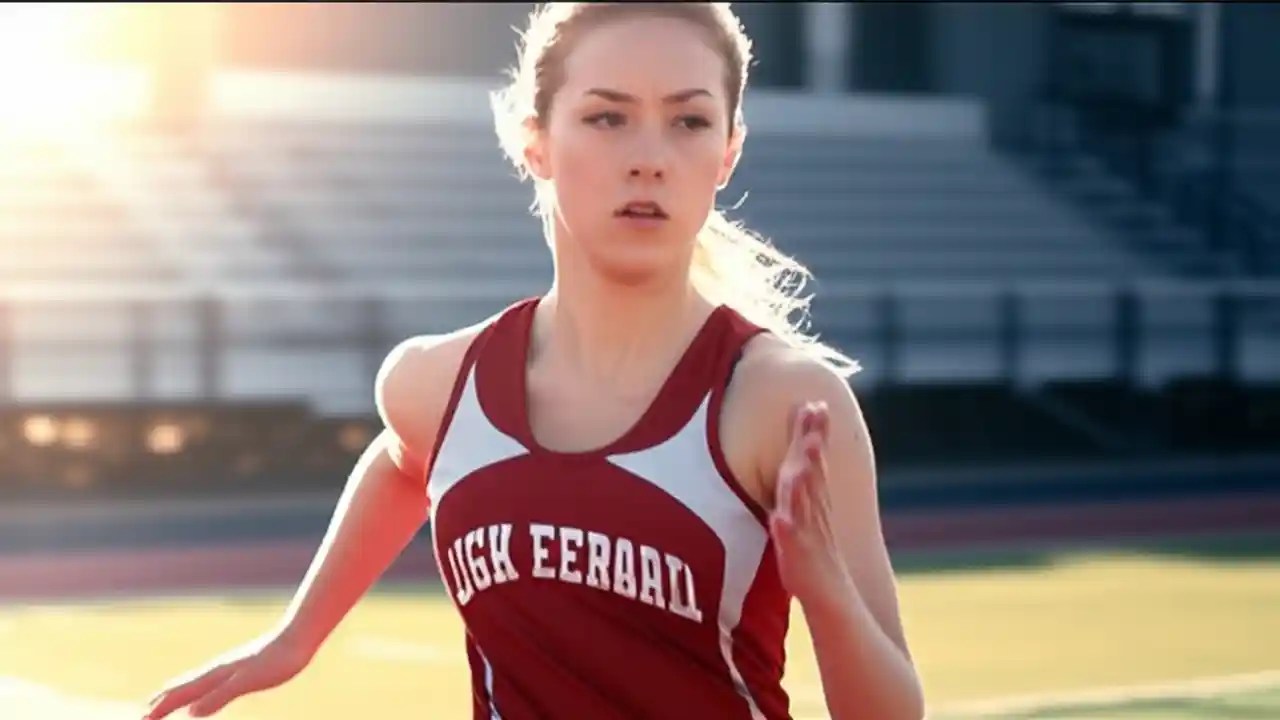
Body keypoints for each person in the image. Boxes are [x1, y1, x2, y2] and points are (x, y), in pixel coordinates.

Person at [142, 3, 925, 719]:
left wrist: (826, 594)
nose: (649, 158)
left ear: (728, 153)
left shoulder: (781, 403)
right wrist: (296, 637)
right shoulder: (438, 384)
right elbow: (404, 459)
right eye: (607, 117)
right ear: (535, 141)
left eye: (688, 122)